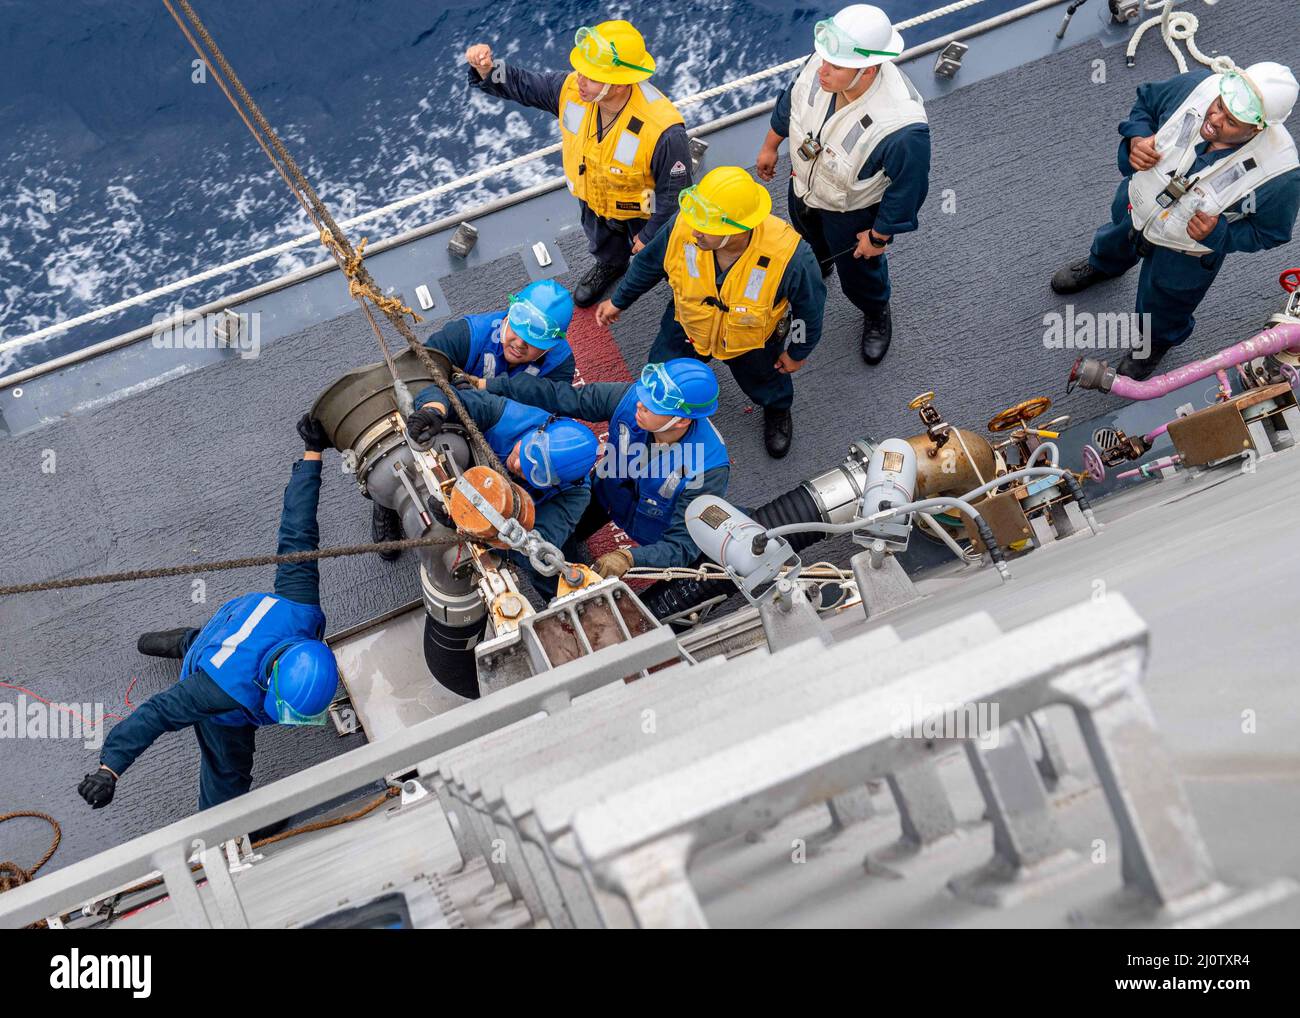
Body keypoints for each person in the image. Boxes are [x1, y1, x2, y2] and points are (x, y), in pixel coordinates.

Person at [78, 415, 341, 823]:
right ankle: (221, 832)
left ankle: (186, 641)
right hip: (216, 673)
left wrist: (312, 452)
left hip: (227, 629)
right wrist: (109, 768)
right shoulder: (222, 695)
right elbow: (158, 713)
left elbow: (298, 530)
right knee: (227, 774)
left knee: (206, 647)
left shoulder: (299, 608)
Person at [1051, 62, 1300, 380]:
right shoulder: (1199, 86)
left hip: (1187, 252)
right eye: (1219, 106)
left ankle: (1154, 343)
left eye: (1231, 121)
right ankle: (1102, 265)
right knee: (1114, 239)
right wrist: (1136, 140)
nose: (1215, 119)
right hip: (1136, 205)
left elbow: (1271, 232)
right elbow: (1146, 102)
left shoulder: (1281, 175)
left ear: (1258, 128)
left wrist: (1219, 235)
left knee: (1168, 301)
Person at [596, 166, 825, 459]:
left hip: (752, 341)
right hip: (687, 324)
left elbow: (810, 310)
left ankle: (777, 409)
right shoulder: (685, 226)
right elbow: (648, 264)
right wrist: (619, 300)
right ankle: (660, 419)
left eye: (705, 227)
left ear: (735, 229)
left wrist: (798, 352)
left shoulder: (791, 257)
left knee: (766, 383)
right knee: (661, 374)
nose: (694, 231)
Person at [464, 20, 693, 307]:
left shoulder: (664, 131)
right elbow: (522, 84)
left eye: (591, 76)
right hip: (595, 203)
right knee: (604, 246)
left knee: (668, 260)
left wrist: (649, 236)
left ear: (621, 82)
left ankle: (684, 293)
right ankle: (611, 265)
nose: (579, 80)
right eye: (581, 71)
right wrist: (486, 69)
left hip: (644, 214)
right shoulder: (571, 89)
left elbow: (675, 195)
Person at [757, 4, 930, 366]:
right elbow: (791, 99)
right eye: (823, 59)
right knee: (808, 242)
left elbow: (908, 189)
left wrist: (878, 238)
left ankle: (875, 311)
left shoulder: (902, 127)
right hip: (803, 189)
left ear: (868, 68)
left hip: (851, 212)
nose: (822, 69)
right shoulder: (824, 64)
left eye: (834, 65)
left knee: (859, 273)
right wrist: (770, 145)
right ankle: (818, 267)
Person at [372, 280, 576, 558]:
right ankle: (385, 504)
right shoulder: (469, 335)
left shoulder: (560, 364)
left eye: (532, 343)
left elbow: (544, 412)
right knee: (403, 444)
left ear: (551, 346)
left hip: (499, 429)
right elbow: (417, 373)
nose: (518, 344)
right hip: (444, 418)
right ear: (509, 314)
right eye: (515, 331)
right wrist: (435, 405)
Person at [483, 359, 729, 578]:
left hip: (654, 531)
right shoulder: (631, 399)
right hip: (606, 493)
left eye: (652, 406)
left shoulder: (708, 470)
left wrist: (631, 558)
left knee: (680, 575)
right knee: (562, 534)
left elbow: (681, 545)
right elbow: (564, 397)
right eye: (644, 396)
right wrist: (492, 386)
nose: (640, 405)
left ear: (682, 421)